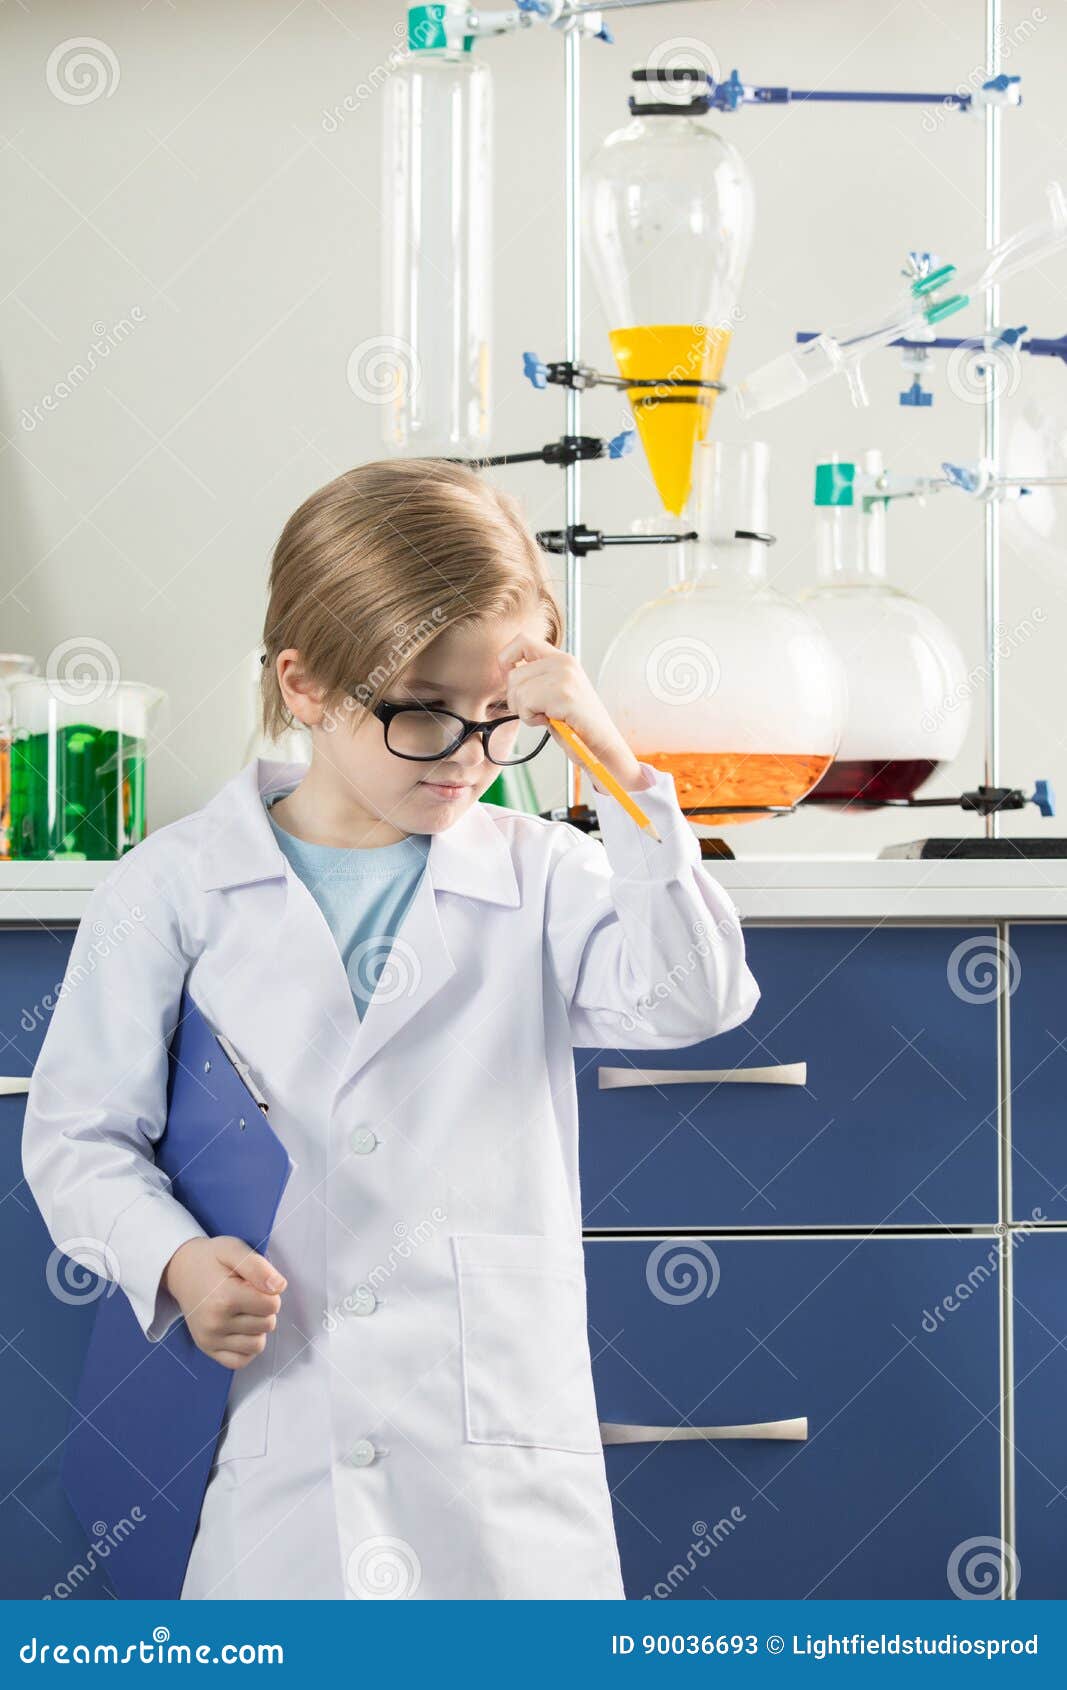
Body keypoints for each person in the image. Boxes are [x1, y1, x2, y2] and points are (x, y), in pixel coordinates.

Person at [22, 457, 760, 1600]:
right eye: (422, 712)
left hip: (499, 1468)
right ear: (305, 683)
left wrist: (615, 763)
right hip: (282, 1445)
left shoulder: (542, 873)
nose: (467, 755)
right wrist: (170, 1256)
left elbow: (693, 997)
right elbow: (77, 1135)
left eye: (501, 719)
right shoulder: (171, 885)